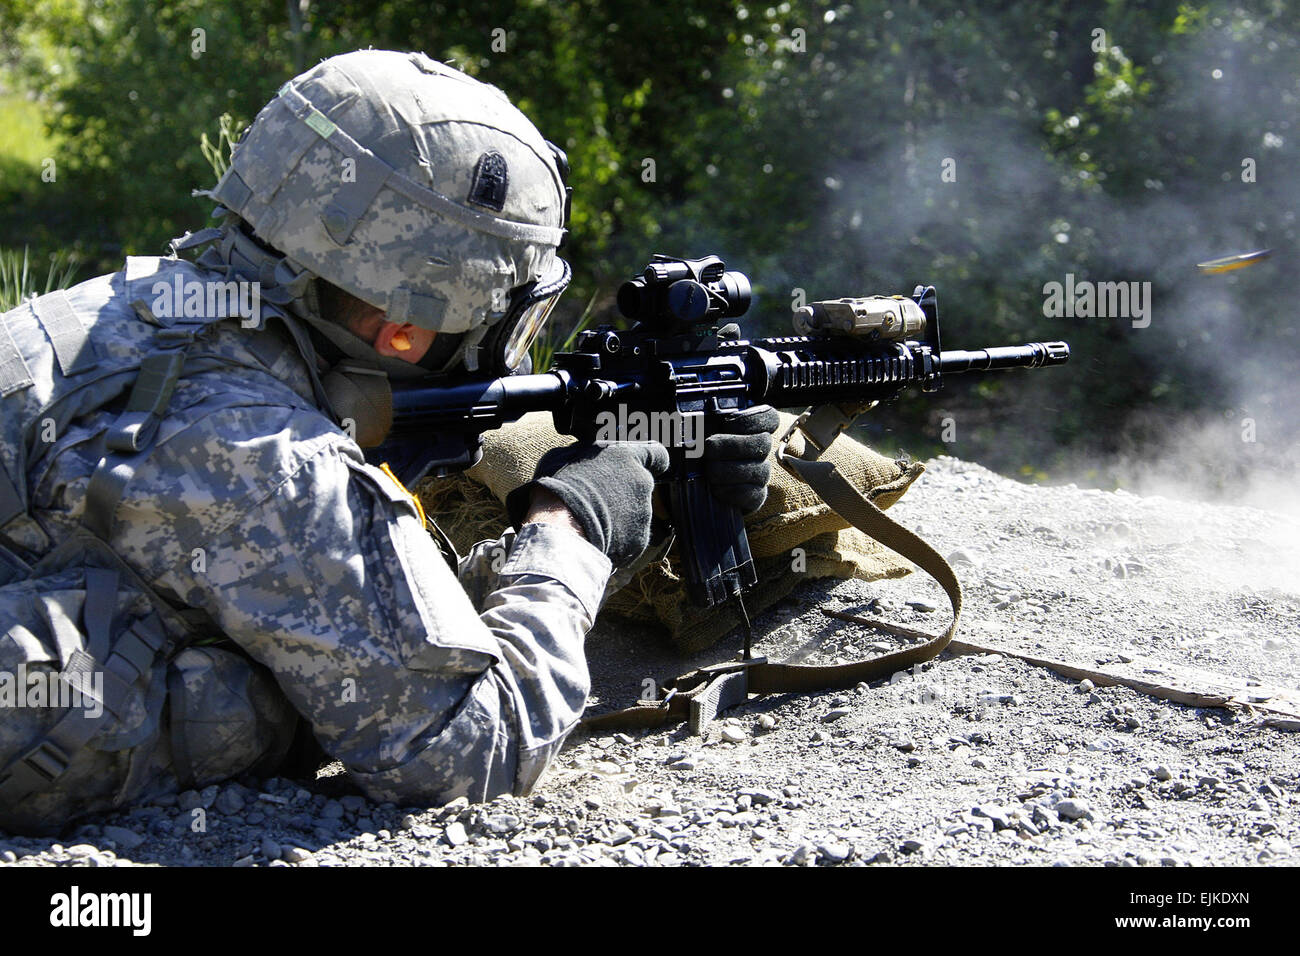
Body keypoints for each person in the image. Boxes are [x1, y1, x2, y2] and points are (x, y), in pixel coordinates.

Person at [0, 49, 776, 829]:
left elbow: (347, 601)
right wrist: (571, 524)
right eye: (514, 320)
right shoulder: (276, 461)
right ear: (401, 332)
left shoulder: (119, 308)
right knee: (243, 698)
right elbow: (477, 749)